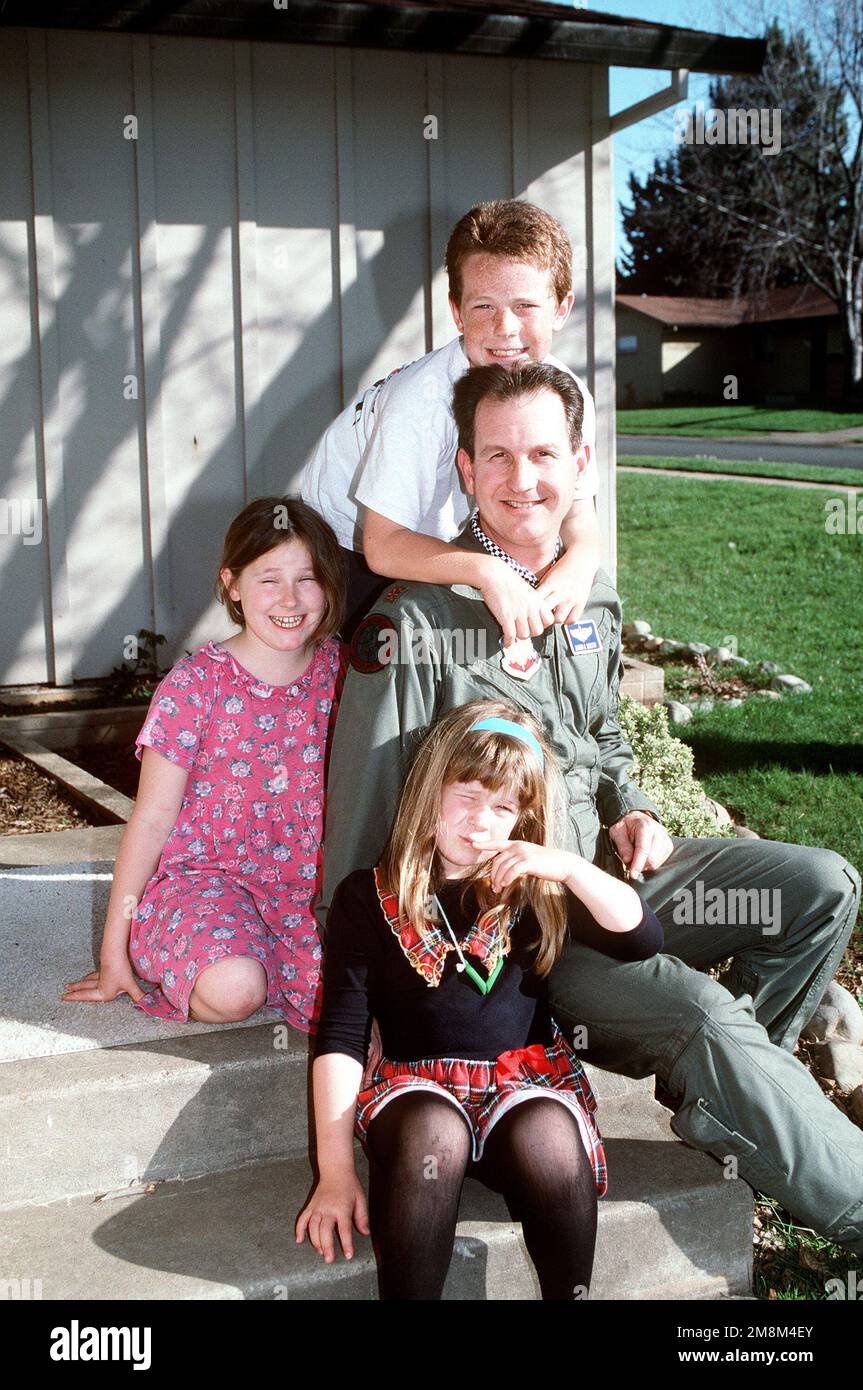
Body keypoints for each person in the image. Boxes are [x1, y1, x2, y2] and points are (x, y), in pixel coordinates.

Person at [318, 361, 863, 1259]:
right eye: (495, 455)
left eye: (541, 453)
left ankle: (742, 1095)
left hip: (613, 885)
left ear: (578, 464)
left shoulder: (588, 592)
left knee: (817, 885)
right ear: (462, 468)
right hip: (527, 935)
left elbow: (601, 739)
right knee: (693, 1011)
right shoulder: (411, 625)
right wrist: (369, 990)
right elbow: (360, 825)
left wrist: (631, 807)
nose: (519, 478)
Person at [296, 700, 663, 1300]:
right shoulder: (368, 895)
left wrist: (568, 868)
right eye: (465, 796)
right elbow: (340, 1035)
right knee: (433, 1132)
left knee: (549, 1134)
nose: (480, 822)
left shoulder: (536, 889)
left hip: (520, 1084)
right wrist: (334, 1172)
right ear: (429, 791)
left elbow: (642, 936)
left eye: (503, 807)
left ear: (524, 817)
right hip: (415, 1091)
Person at [63, 498, 347, 1033]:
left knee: (346, 1002)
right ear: (233, 584)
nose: (289, 599)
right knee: (237, 989)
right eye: (268, 580)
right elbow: (151, 819)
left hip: (308, 890)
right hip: (203, 884)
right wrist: (112, 951)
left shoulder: (344, 674)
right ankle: (188, 954)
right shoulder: (194, 685)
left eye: (307, 579)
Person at [300, 198, 602, 643]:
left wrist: (581, 560)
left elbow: (579, 511)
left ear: (561, 308)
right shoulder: (420, 404)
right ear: (457, 311)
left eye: (525, 306)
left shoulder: (563, 393)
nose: (506, 328)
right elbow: (384, 546)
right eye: (483, 307)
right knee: (394, 662)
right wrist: (488, 572)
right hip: (353, 546)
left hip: (445, 535)